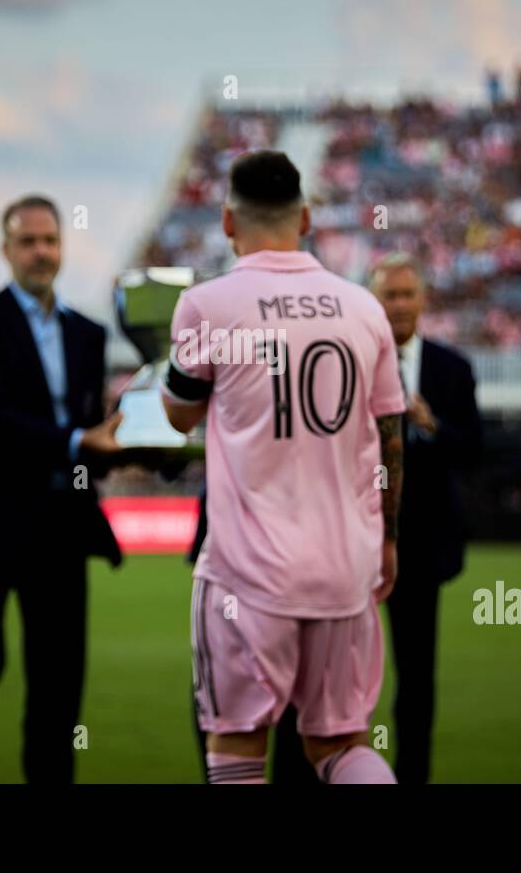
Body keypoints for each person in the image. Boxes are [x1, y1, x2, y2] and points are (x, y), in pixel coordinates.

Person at [163, 151, 405, 784]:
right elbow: (389, 435)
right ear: (305, 219)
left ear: (225, 223)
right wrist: (387, 538)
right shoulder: (363, 308)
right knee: (342, 744)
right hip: (344, 567)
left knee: (238, 744)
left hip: (248, 575)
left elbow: (179, 416)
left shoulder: (205, 305)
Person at [0, 195, 125, 783]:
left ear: (63, 247)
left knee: (59, 685)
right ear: (6, 250)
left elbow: (93, 435)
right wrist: (77, 443)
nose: (41, 252)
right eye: (28, 242)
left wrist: (135, 440)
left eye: (50, 241)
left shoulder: (88, 335)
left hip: (60, 528)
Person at [369, 253, 483, 783]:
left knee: (416, 681)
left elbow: (476, 450)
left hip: (420, 546)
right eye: (389, 295)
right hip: (356, 543)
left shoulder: (451, 368)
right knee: (338, 679)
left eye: (407, 294)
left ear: (423, 300)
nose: (398, 305)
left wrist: (431, 424)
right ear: (372, 301)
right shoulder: (347, 362)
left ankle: (412, 777)